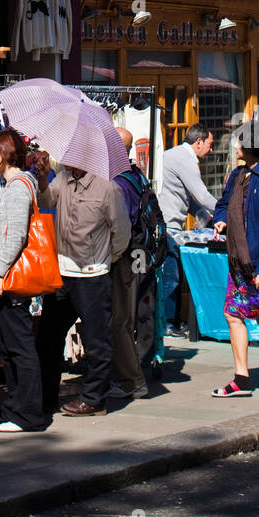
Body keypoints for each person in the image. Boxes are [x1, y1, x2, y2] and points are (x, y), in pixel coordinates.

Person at [34, 149, 131, 417]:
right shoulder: (62, 180)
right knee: (48, 338)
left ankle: (94, 398)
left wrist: (106, 259)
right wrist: (42, 179)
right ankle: (46, 395)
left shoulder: (107, 188)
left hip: (92, 275)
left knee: (97, 340)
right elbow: (46, 200)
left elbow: (121, 233)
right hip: (62, 272)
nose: (64, 157)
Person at [211, 121, 259, 398]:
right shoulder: (238, 175)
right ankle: (242, 378)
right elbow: (222, 205)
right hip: (237, 261)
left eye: (239, 141)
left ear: (251, 146)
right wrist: (220, 221)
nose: (235, 146)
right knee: (232, 315)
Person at [0, 129, 49, 432]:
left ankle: (29, 414)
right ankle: (17, 410)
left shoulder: (19, 186)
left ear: (6, 152)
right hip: (7, 280)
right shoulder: (13, 185)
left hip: (12, 281)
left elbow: (15, 236)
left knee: (20, 346)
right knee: (10, 346)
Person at [158, 124, 217, 338]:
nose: (211, 150)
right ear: (198, 142)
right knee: (170, 277)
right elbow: (201, 196)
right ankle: (167, 324)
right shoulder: (185, 158)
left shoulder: (176, 155)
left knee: (172, 276)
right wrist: (226, 210)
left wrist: (203, 214)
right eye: (209, 145)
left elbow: (187, 198)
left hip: (169, 222)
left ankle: (172, 321)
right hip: (167, 225)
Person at [109, 127, 151, 399]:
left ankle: (132, 380)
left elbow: (119, 224)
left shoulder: (119, 182)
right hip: (139, 253)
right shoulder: (136, 175)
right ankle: (133, 371)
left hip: (125, 256)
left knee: (120, 320)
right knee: (132, 316)